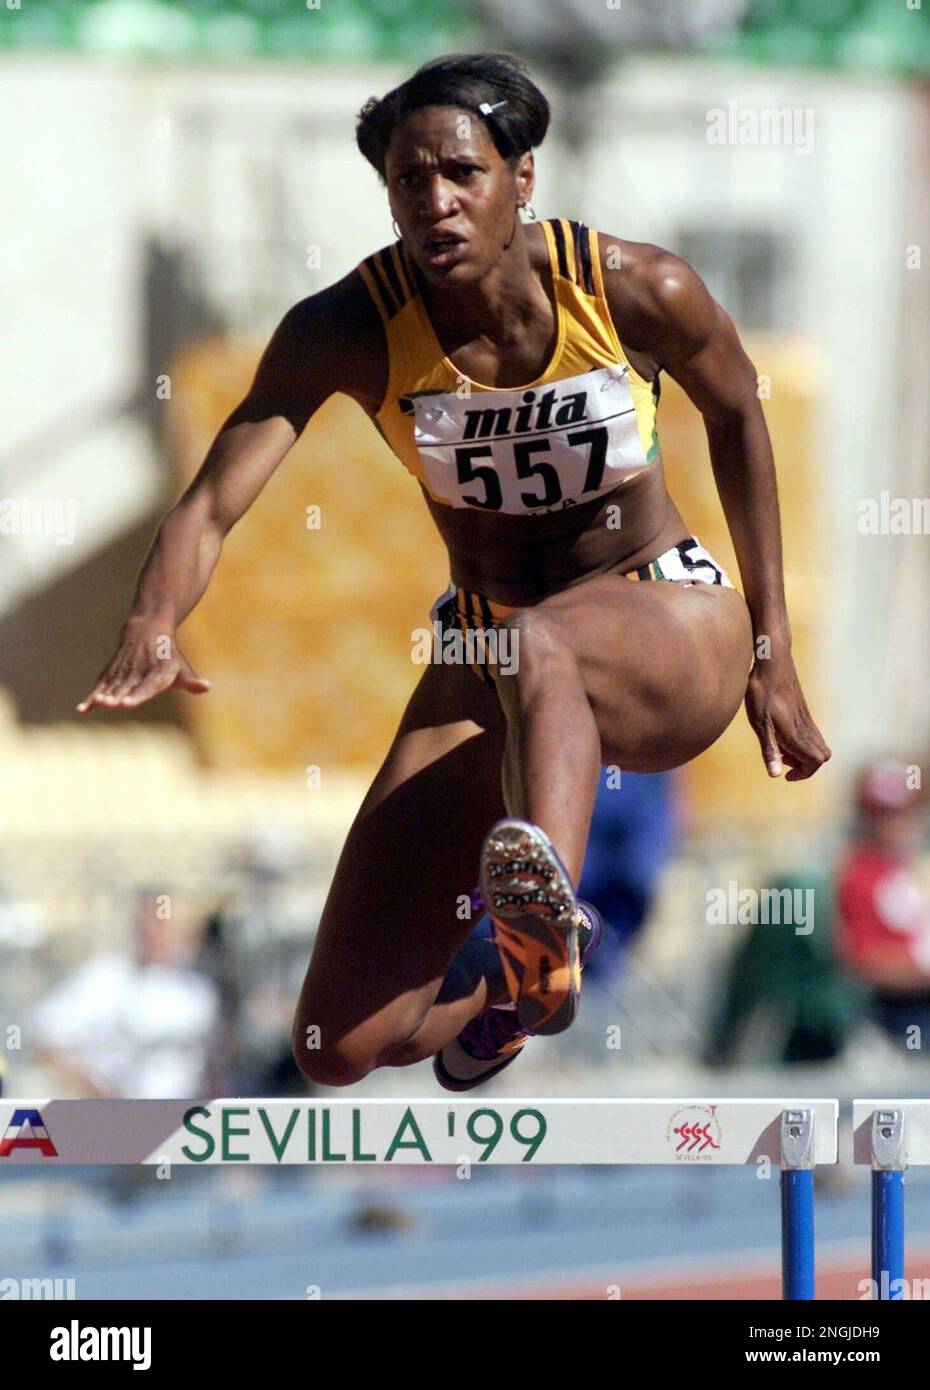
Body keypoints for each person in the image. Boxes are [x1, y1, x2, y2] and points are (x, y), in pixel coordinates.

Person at [76, 53, 829, 1092]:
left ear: (521, 176)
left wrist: (770, 651)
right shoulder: (346, 327)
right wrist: (153, 619)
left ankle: (545, 922)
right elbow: (211, 501)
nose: (434, 202)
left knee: (540, 638)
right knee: (337, 1046)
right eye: (407, 182)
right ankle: (501, 982)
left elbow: (741, 413)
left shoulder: (631, 286)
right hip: (490, 644)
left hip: (671, 619)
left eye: (461, 174)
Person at [835, 759, 930, 1052]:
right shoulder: (859, 876)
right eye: (883, 815)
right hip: (898, 1016)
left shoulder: (913, 869)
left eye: (903, 814)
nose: (895, 825)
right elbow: (862, 962)